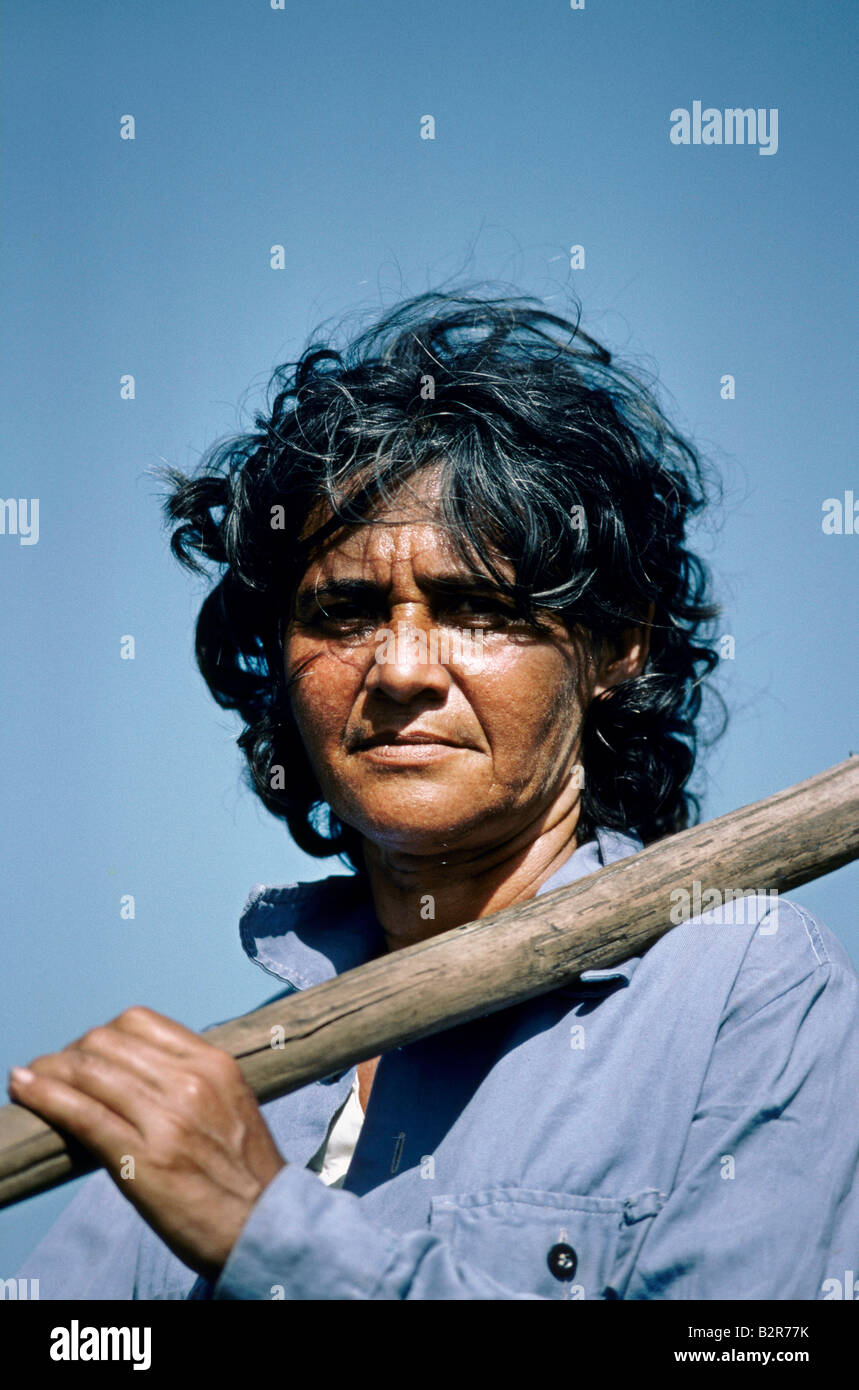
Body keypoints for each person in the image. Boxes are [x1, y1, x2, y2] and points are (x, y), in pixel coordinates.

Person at [11, 290, 859, 1300]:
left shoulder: (742, 992)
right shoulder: (209, 1104)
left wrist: (265, 1228)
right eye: (347, 610)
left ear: (612, 646)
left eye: (474, 607)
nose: (403, 667)